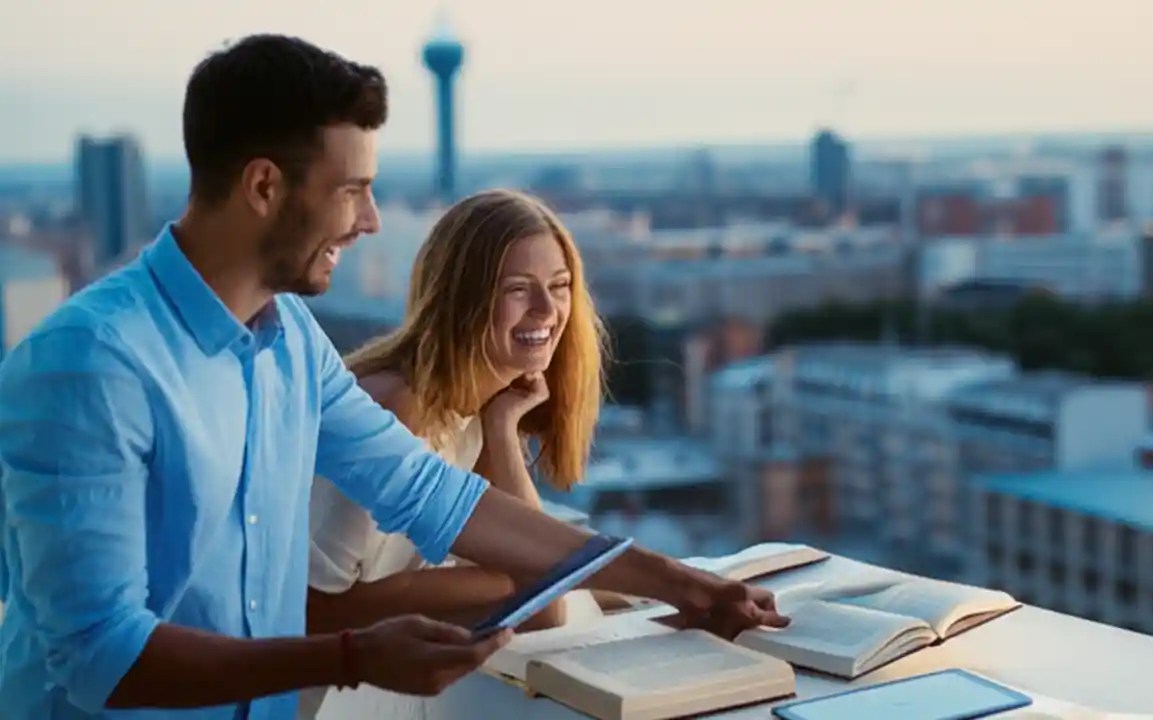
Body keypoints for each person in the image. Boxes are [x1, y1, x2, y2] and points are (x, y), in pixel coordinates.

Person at [0, 34, 786, 720]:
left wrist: (681, 584)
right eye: (351, 191)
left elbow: (433, 495)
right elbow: (101, 656)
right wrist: (351, 656)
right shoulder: (92, 363)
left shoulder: (289, 344)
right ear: (264, 186)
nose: (371, 221)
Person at [299, 189, 609, 717]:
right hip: (320, 697)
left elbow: (541, 607)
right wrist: (499, 580)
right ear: (461, 299)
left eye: (560, 287)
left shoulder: (475, 411)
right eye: (518, 289)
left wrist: (502, 427)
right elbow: (311, 612)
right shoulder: (391, 412)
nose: (547, 310)